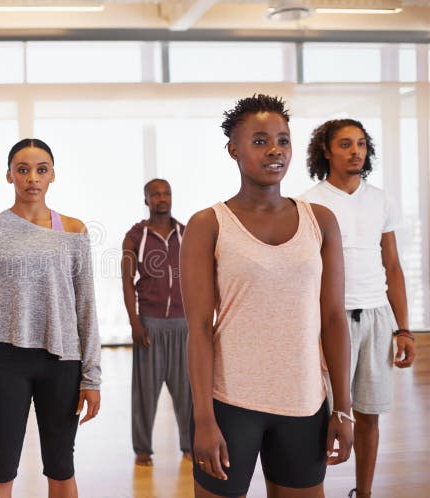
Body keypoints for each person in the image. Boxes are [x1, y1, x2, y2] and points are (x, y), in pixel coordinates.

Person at [180, 94, 354, 498]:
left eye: (283, 140)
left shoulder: (321, 221)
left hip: (305, 403)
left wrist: (343, 408)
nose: (275, 150)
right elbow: (199, 330)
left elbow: (332, 318)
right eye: (259, 141)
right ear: (233, 150)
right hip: (230, 404)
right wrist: (203, 418)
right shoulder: (208, 225)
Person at [0, 138, 101, 498]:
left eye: (41, 169)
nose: (32, 178)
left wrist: (92, 378)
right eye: (22, 170)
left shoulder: (74, 231)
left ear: (53, 174)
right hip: (4, 361)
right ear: (9, 175)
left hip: (62, 362)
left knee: (61, 465)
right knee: (1, 465)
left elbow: (86, 306)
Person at [301, 119, 417, 498]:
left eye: (362, 144)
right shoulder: (309, 201)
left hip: (377, 318)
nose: (356, 151)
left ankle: (363, 493)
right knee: (322, 414)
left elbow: (394, 267)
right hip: (329, 319)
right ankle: (310, 489)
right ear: (326, 151)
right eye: (346, 144)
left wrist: (404, 329)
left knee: (369, 415)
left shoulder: (382, 199)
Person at [121, 178, 191, 466]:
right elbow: (126, 280)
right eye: (156, 194)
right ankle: (142, 450)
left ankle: (190, 445)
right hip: (150, 325)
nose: (162, 198)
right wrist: (135, 323)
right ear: (146, 199)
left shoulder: (187, 233)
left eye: (167, 193)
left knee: (188, 392)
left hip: (183, 324)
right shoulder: (135, 236)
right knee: (145, 393)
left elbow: (201, 278)